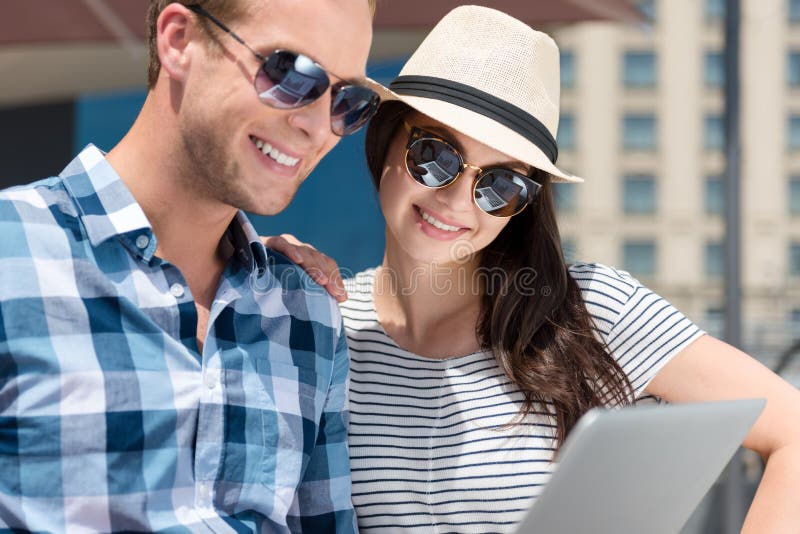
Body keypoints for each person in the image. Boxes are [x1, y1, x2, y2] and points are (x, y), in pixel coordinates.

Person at [266, 5, 800, 533]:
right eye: (436, 155)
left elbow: (792, 430)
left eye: (500, 185)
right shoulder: (322, 326)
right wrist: (247, 267)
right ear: (386, 142)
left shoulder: (589, 309)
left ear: (524, 203)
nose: (456, 199)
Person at [0, 0, 380, 532]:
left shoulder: (307, 314)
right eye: (293, 73)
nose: (319, 128)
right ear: (179, 40)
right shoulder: (11, 252)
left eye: (349, 100)